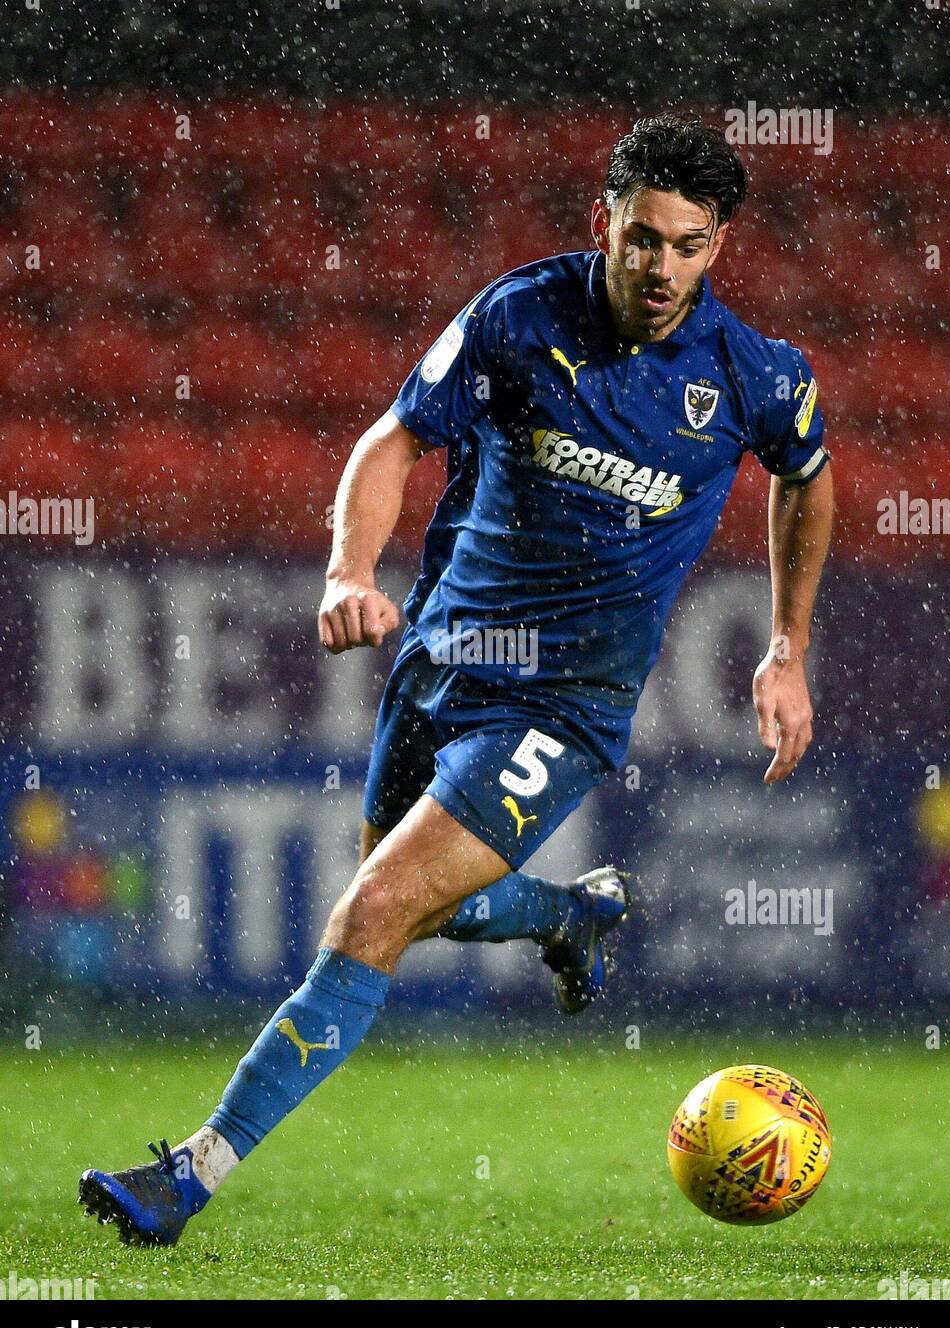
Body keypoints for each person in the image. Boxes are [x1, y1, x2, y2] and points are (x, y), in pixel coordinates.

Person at [78, 114, 833, 1245]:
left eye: (685, 245)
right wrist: (347, 568)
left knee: (373, 906)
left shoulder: (752, 376)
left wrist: (786, 643)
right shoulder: (518, 317)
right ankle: (568, 915)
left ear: (716, 246)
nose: (660, 267)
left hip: (565, 702)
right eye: (641, 240)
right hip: (444, 660)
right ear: (605, 226)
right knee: (411, 905)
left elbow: (805, 479)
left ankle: (188, 1175)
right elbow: (390, 443)